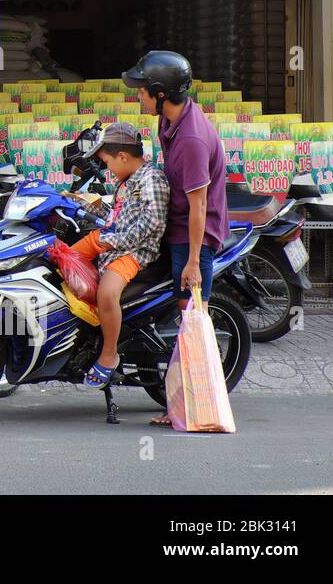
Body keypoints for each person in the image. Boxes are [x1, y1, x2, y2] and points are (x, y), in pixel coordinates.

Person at [123, 50, 228, 424]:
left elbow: (199, 207)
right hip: (177, 224)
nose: (137, 95)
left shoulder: (192, 140)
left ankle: (191, 405)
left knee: (190, 318)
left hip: (193, 235)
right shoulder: (170, 122)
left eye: (142, 90)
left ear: (160, 94)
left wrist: (195, 263)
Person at [67, 123, 170, 389]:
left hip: (136, 252)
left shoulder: (151, 179)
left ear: (123, 157)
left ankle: (109, 354)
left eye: (107, 161)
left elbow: (153, 224)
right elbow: (118, 217)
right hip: (114, 243)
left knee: (107, 292)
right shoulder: (125, 182)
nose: (107, 168)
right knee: (64, 260)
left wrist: (112, 241)